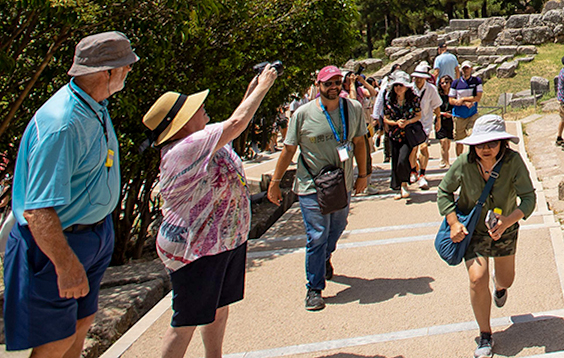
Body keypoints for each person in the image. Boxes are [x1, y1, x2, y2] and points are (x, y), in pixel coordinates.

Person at [3, 31, 138, 358]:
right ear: (107, 72)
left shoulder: (95, 105)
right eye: (126, 65)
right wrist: (65, 264)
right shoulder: (62, 123)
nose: (130, 71)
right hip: (59, 242)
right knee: (56, 340)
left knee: (81, 323)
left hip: (92, 233)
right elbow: (39, 211)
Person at [143, 66, 277, 358]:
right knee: (186, 319)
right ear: (180, 123)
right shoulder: (185, 148)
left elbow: (233, 124)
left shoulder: (201, 139)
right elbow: (237, 123)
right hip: (196, 247)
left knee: (217, 307)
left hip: (221, 242)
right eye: (195, 108)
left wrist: (252, 88)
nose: (203, 108)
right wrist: (264, 86)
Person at [267, 66, 369, 311]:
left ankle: (323, 257)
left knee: (337, 228)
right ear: (318, 84)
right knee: (317, 235)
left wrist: (363, 175)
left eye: (337, 82)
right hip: (311, 183)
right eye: (328, 83)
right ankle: (314, 288)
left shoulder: (352, 108)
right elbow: (289, 149)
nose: (333, 87)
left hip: (340, 184)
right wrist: (274, 182)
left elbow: (359, 143)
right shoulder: (302, 114)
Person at [436, 115, 535, 358]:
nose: (486, 149)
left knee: (506, 279)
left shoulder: (513, 162)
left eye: (492, 143)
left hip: (506, 230)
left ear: (502, 143)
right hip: (475, 231)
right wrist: (453, 222)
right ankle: (485, 334)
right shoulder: (463, 163)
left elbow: (529, 199)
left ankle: (499, 286)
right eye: (481, 144)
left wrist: (507, 221)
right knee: (476, 279)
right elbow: (444, 192)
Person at [380, 72, 421, 197]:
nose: (398, 88)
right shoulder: (389, 100)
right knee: (395, 160)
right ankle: (398, 187)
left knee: (403, 160)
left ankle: (404, 183)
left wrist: (407, 121)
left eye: (401, 85)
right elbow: (385, 118)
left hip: (408, 134)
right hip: (394, 134)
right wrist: (395, 123)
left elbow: (418, 115)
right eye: (396, 85)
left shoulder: (414, 98)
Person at [410, 65, 443, 187]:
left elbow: (436, 106)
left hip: (425, 123)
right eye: (417, 77)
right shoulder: (409, 88)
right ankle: (413, 170)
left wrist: (438, 120)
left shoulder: (431, 89)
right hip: (412, 122)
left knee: (423, 147)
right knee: (413, 149)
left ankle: (422, 174)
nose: (418, 80)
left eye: (421, 78)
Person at [451, 62, 484, 141]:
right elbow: (451, 99)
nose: (466, 70)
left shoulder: (477, 81)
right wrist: (464, 102)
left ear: (471, 69)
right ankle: (459, 153)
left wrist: (463, 99)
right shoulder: (456, 83)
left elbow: (478, 97)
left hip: (472, 113)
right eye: (464, 68)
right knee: (459, 140)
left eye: (467, 68)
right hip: (459, 115)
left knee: (473, 135)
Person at [435, 75, 455, 167]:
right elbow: (434, 108)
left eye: (446, 82)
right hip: (440, 120)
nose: (444, 85)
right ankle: (446, 162)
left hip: (450, 120)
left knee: (447, 142)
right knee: (443, 142)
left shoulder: (453, 95)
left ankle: (444, 158)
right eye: (442, 83)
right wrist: (442, 114)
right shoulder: (438, 95)